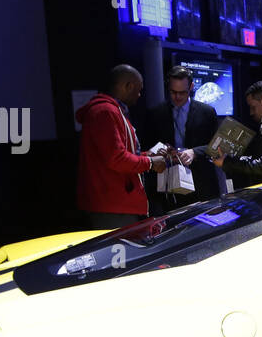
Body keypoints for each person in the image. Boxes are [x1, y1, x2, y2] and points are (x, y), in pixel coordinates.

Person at [76, 64, 167, 230]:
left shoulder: (113, 110)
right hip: (111, 205)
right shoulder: (105, 111)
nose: (139, 95)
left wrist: (148, 156)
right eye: (138, 90)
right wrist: (151, 163)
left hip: (116, 202)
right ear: (128, 86)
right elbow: (116, 158)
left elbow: (124, 153)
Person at [139, 66, 220, 215]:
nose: (177, 97)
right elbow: (146, 145)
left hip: (201, 184)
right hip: (168, 186)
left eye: (182, 92)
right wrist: (159, 150)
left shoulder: (207, 112)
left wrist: (194, 152)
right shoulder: (155, 113)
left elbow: (217, 147)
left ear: (191, 87)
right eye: (173, 92)